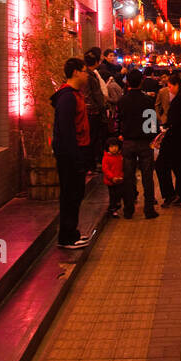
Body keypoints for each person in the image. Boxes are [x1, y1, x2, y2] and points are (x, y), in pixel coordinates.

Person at [50, 57, 93, 249]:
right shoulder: (67, 97)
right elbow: (66, 130)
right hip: (70, 154)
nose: (87, 74)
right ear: (75, 72)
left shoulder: (74, 95)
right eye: (84, 71)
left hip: (76, 152)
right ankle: (67, 237)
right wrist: (75, 156)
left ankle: (72, 233)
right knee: (70, 194)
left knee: (75, 194)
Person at [116, 68, 159, 220]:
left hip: (127, 142)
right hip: (144, 142)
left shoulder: (122, 101)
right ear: (141, 81)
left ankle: (128, 210)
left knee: (128, 176)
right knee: (147, 176)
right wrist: (152, 137)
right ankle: (149, 209)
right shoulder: (147, 100)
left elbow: (118, 121)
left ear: (127, 82)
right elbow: (152, 123)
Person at [157, 72, 181, 205]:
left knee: (162, 165)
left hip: (174, 137)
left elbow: (175, 119)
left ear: (177, 85)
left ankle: (171, 194)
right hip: (179, 136)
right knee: (179, 166)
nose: (169, 89)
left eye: (170, 86)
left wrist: (166, 127)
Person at [83, 47, 108, 171]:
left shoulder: (85, 75)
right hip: (93, 113)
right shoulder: (91, 77)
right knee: (93, 139)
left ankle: (90, 164)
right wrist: (101, 108)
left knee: (90, 139)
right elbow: (96, 96)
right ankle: (90, 165)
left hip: (87, 112)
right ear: (97, 62)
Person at [101, 137, 124, 218]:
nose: (114, 149)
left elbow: (122, 168)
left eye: (115, 146)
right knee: (113, 195)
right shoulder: (106, 158)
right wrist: (112, 177)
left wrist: (121, 176)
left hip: (120, 180)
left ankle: (116, 205)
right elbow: (105, 169)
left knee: (119, 194)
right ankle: (113, 209)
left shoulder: (120, 156)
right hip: (111, 181)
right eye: (111, 147)